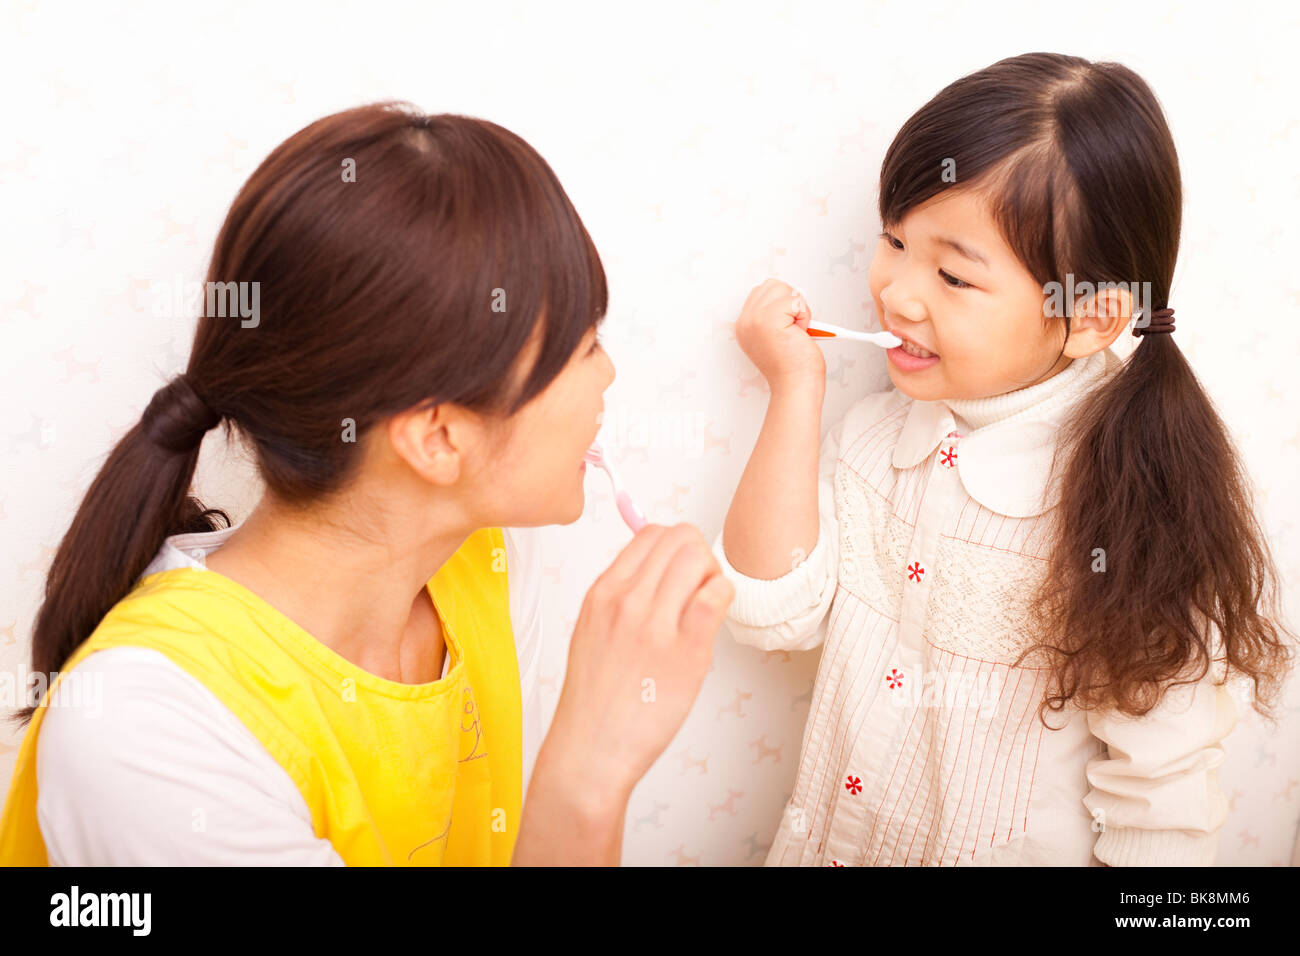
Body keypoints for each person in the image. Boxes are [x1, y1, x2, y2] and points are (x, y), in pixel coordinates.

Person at [0, 103, 734, 865]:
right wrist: (589, 772)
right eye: (585, 347)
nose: (609, 374)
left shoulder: (487, 561)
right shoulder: (148, 734)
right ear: (439, 437)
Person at [715, 53, 1294, 866]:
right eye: (893, 239)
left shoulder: (1129, 505)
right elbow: (768, 610)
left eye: (953, 274)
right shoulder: (874, 439)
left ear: (1090, 317)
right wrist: (793, 391)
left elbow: (1160, 811)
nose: (897, 292)